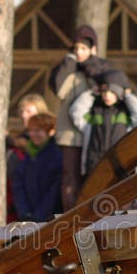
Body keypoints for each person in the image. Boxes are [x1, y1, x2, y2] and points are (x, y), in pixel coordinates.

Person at [48, 25, 113, 209]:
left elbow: (109, 84)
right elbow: (58, 89)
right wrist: (69, 63)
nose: (79, 52)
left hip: (95, 128)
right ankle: (71, 215)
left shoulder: (102, 67)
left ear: (93, 49)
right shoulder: (67, 69)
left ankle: (93, 212)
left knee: (93, 174)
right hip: (70, 132)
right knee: (70, 176)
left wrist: (90, 65)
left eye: (83, 48)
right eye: (76, 48)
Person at [69, 69, 137, 176]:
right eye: (104, 91)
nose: (107, 95)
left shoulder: (126, 114)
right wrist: (90, 94)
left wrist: (128, 96)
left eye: (112, 92)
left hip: (122, 167)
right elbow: (76, 112)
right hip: (94, 168)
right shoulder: (95, 111)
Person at [11, 112, 62, 222]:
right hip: (29, 217)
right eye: (31, 130)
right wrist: (24, 212)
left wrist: (39, 216)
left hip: (48, 219)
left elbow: (54, 190)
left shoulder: (56, 155)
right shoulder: (28, 156)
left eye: (38, 131)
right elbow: (18, 185)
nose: (33, 134)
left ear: (50, 132)